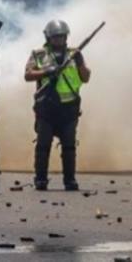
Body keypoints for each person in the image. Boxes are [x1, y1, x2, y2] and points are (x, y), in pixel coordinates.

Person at [25, 20, 91, 191]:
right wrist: (47, 71)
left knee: (69, 146)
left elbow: (85, 77)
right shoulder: (39, 54)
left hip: (69, 108)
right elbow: (28, 74)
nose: (59, 40)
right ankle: (40, 179)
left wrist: (80, 62)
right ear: (48, 37)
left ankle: (70, 180)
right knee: (43, 145)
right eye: (56, 37)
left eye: (62, 36)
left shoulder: (74, 54)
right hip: (47, 107)